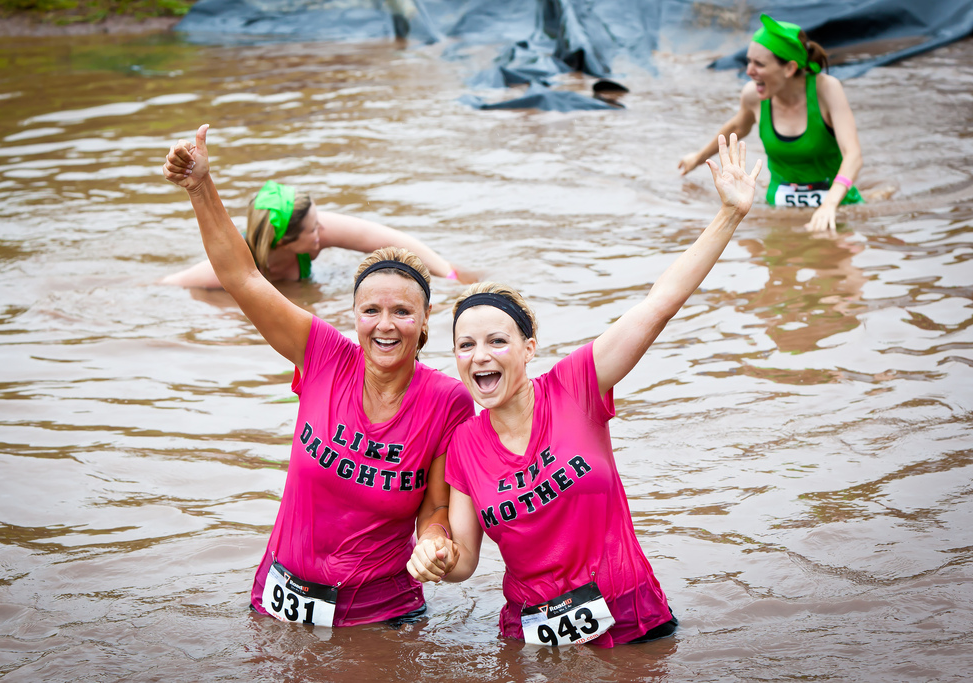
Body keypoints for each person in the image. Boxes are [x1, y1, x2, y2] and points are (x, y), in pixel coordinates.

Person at [408, 134, 762, 647]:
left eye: (496, 341)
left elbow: (658, 304)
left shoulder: (576, 386)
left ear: (529, 348)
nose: (480, 355)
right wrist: (435, 553)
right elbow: (464, 562)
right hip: (533, 641)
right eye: (466, 345)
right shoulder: (463, 445)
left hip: (634, 621)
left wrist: (729, 214)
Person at [162, 124, 474, 628]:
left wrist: (436, 544)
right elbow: (242, 277)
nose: (386, 325)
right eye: (371, 310)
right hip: (277, 600)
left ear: (425, 322)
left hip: (380, 617)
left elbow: (436, 508)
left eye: (403, 312)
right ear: (353, 317)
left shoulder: (448, 401)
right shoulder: (323, 355)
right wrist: (201, 187)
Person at [678, 14, 862, 234]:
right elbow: (737, 127)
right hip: (779, 212)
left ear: (789, 68)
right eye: (748, 61)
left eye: (759, 64)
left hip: (836, 209)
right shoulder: (753, 96)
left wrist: (829, 205)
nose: (748, 71)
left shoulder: (827, 89)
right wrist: (697, 158)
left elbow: (853, 155)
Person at [162, 179, 473, 288]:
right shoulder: (235, 265)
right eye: (312, 229)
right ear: (285, 242)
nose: (322, 230)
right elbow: (172, 285)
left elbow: (384, 237)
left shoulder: (314, 227)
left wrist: (449, 276)